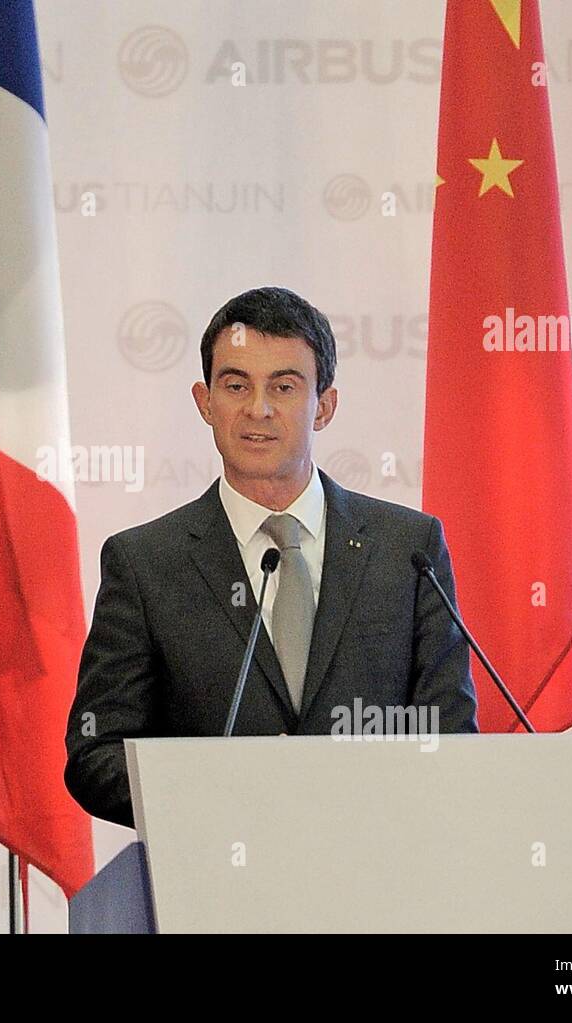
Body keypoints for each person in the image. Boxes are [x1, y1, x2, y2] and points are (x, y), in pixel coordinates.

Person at [65, 286, 478, 828]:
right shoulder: (145, 564)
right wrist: (225, 796)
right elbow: (96, 753)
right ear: (204, 401)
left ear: (324, 406)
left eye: (283, 387)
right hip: (215, 884)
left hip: (380, 879)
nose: (257, 409)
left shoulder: (407, 549)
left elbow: (450, 735)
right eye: (235, 385)